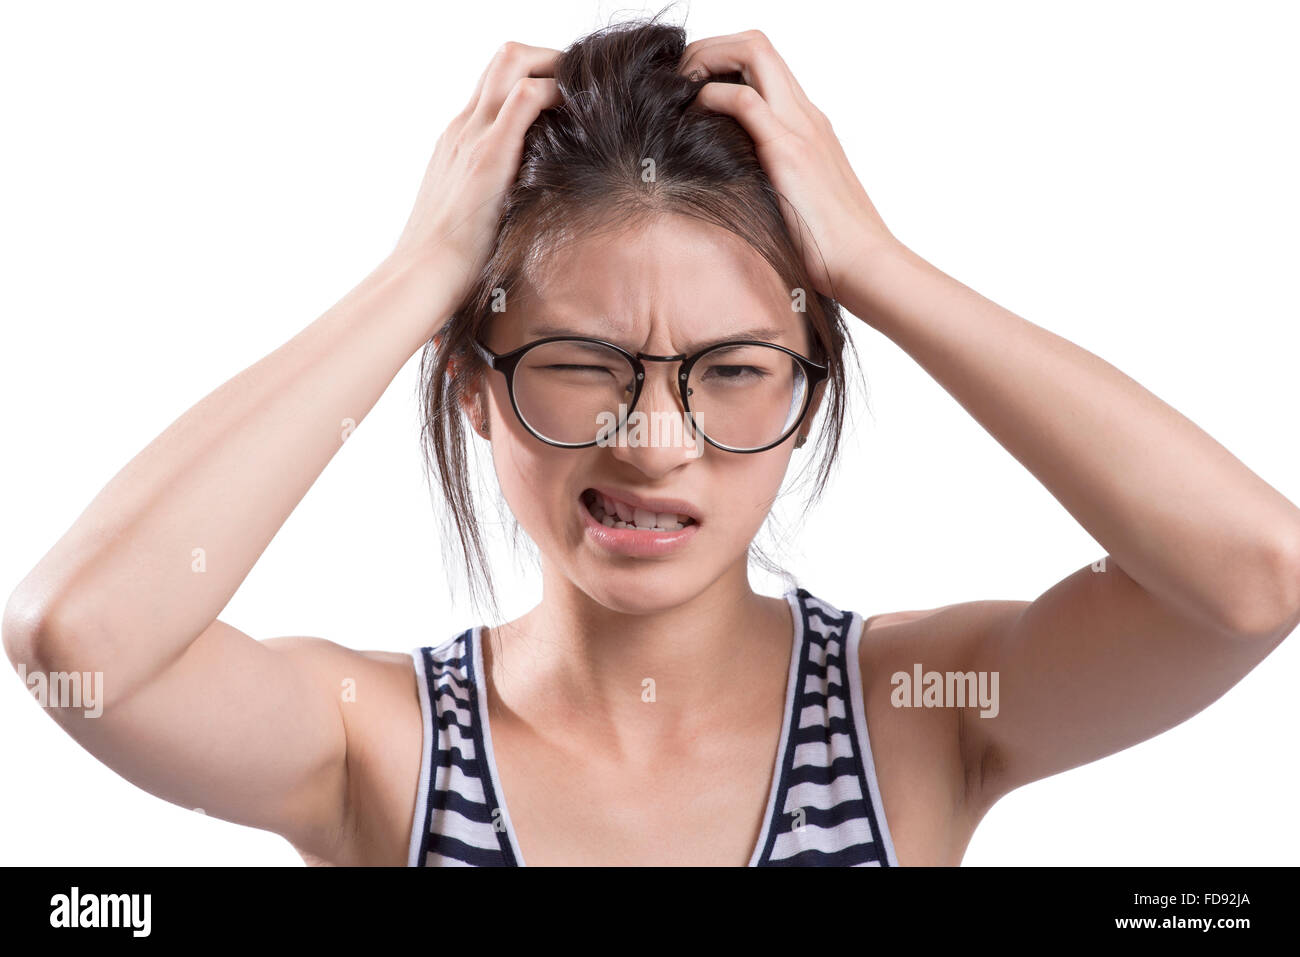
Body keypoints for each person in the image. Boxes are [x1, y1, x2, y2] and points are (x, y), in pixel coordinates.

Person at [5, 17, 1299, 867]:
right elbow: (80, 641)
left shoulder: (914, 714)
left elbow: (1255, 576)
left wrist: (878, 266)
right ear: (471, 382)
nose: (654, 437)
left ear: (808, 379)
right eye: (579, 365)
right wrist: (418, 278)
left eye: (734, 371)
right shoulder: (378, 746)